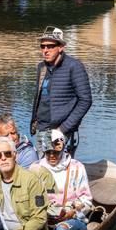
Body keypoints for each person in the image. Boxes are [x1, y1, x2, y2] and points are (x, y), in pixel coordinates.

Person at [30, 25, 92, 153]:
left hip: (61, 130)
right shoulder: (41, 67)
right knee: (42, 169)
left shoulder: (74, 67)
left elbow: (85, 100)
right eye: (43, 46)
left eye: (50, 46)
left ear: (61, 47)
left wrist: (63, 129)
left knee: (57, 169)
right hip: (42, 128)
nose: (45, 50)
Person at [37, 129, 93, 230]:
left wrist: (71, 212)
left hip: (73, 219)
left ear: (63, 149)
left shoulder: (77, 167)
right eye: (48, 152)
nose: (52, 156)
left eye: (56, 152)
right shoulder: (37, 168)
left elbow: (86, 200)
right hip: (44, 221)